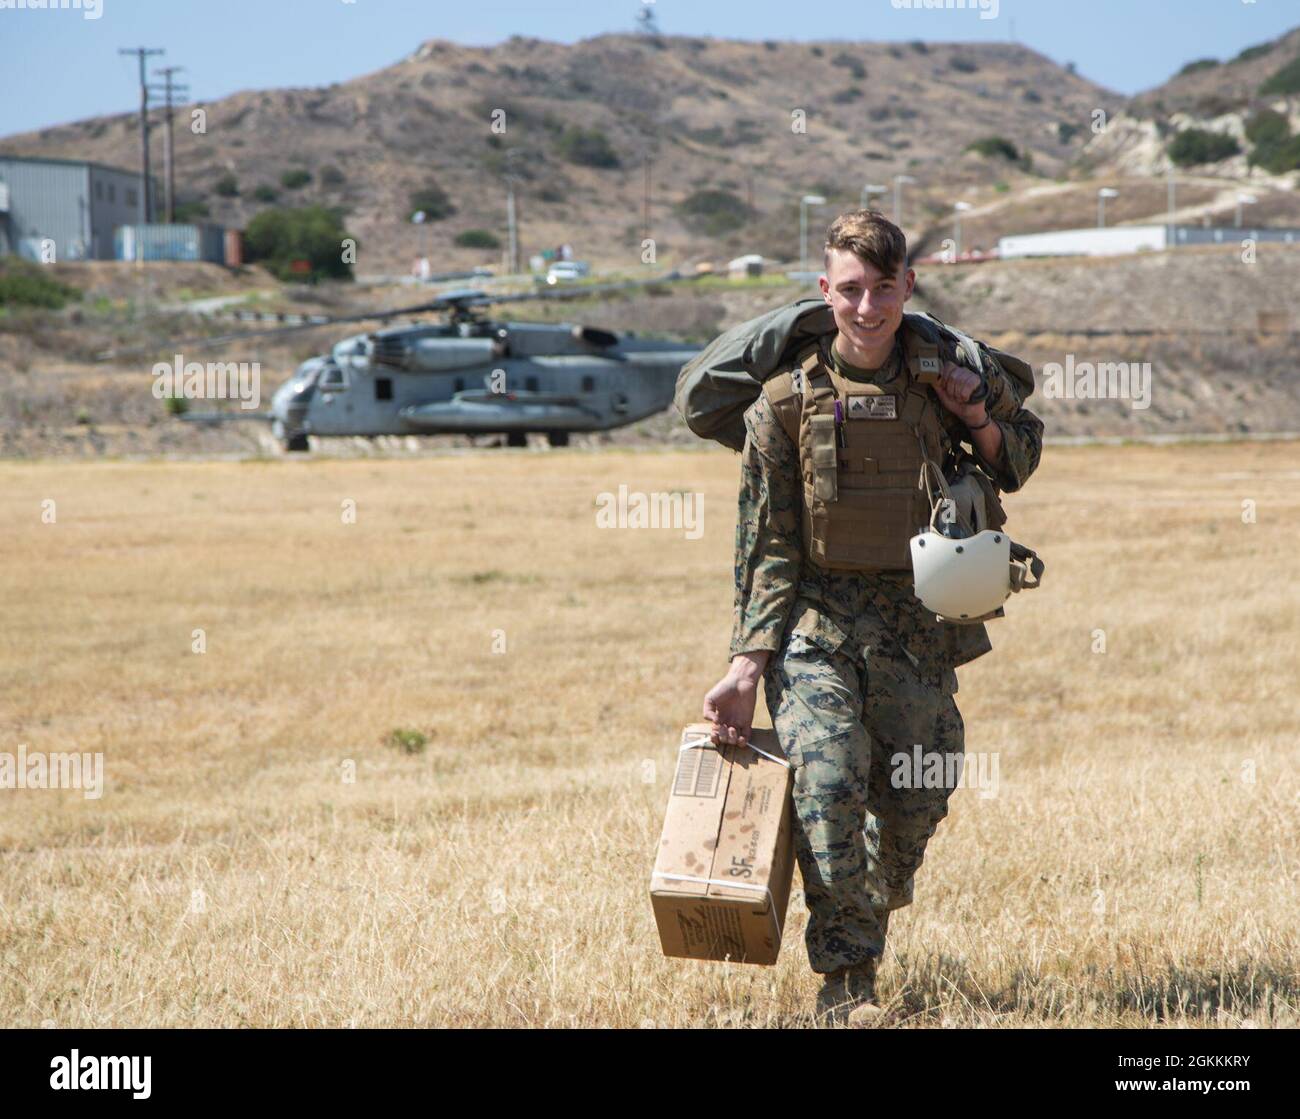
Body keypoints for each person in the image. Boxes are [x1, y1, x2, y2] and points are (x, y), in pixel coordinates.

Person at [701, 209, 1043, 1026]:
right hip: (817, 622)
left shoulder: (941, 384)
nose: (866, 307)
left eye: (882, 289)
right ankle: (847, 982)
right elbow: (768, 549)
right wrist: (747, 665)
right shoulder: (781, 406)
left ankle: (864, 906)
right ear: (825, 292)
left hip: (915, 619)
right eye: (849, 290)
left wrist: (976, 420)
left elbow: (1021, 462)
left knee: (920, 792)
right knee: (826, 785)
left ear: (906, 288)